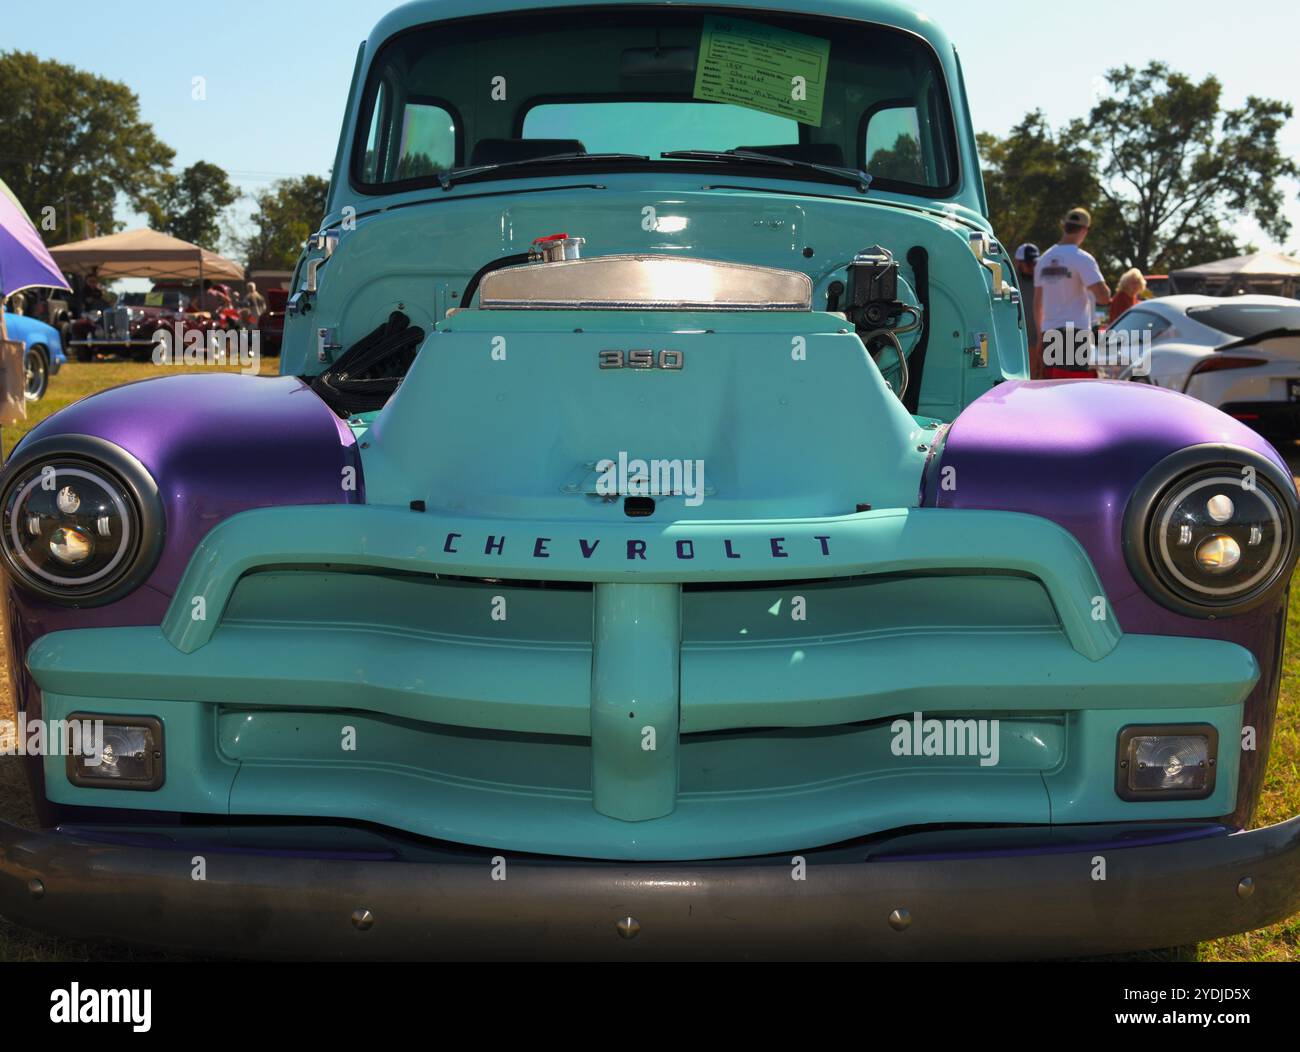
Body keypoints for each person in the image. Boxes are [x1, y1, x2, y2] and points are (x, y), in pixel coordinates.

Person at [1034, 207, 1111, 380]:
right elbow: (1103, 297)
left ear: (1064, 227)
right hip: (1075, 335)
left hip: (1049, 333)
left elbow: (1037, 302)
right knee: (1076, 391)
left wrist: (1040, 336)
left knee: (1053, 389)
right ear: (1084, 230)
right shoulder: (1082, 258)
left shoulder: (1044, 258)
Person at [1013, 243, 1041, 357]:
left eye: (1036, 263)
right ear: (1018, 262)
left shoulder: (1042, 280)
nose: (1033, 267)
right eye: (1029, 264)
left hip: (1039, 339)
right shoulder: (1010, 281)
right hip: (1019, 341)